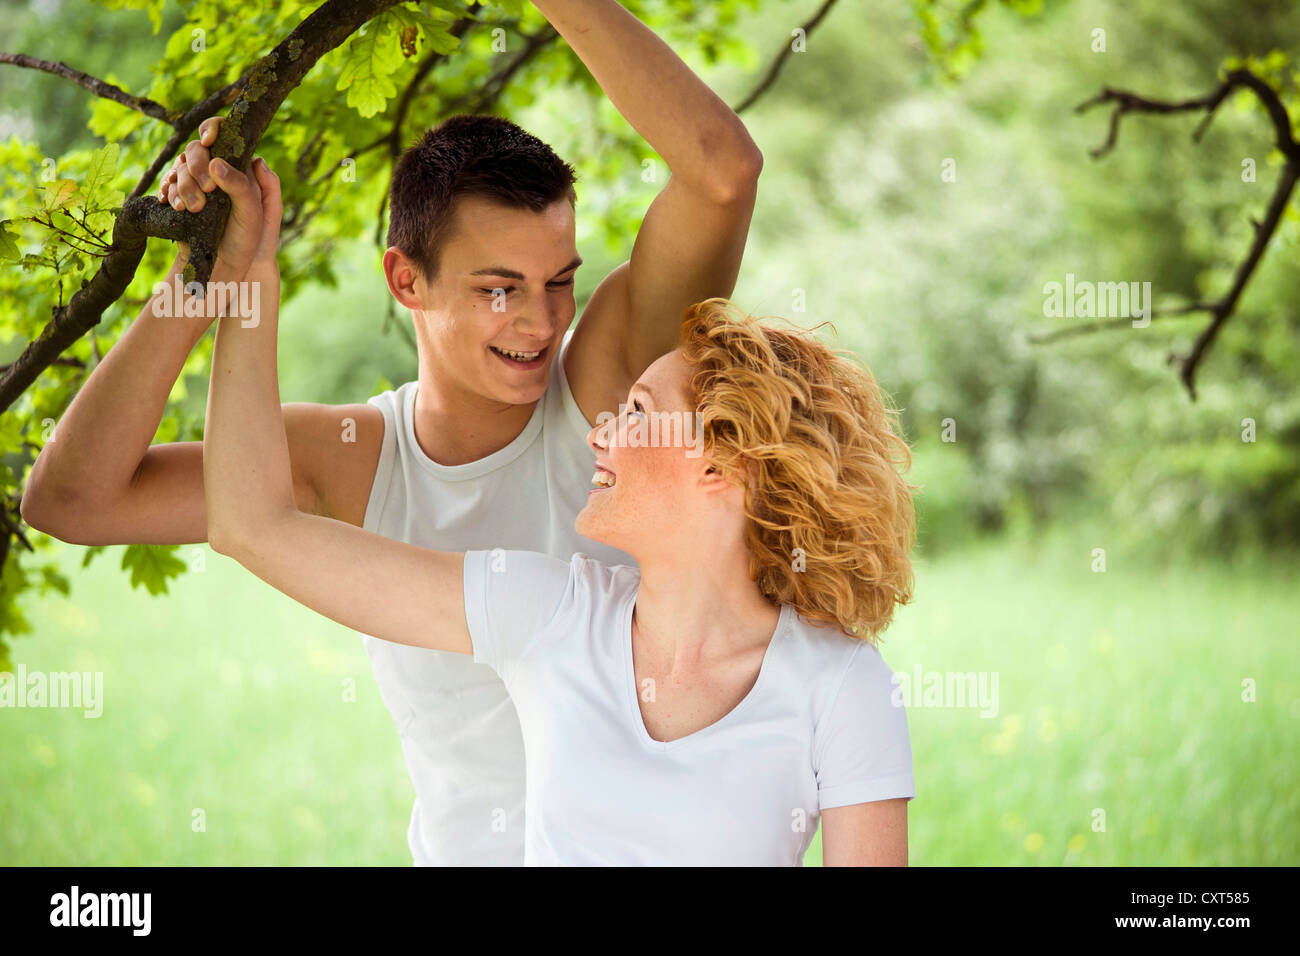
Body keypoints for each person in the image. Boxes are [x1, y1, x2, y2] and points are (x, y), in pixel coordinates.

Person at [21, 0, 762, 865]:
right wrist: (209, 272)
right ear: (405, 281)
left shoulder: (609, 384)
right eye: (498, 288)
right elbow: (71, 500)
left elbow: (722, 172)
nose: (539, 321)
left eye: (557, 280)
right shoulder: (352, 461)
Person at [203, 155, 918, 866]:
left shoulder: (841, 685)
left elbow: (724, 166)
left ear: (723, 461)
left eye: (637, 411)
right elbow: (250, 527)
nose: (601, 430)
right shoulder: (548, 614)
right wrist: (247, 281)